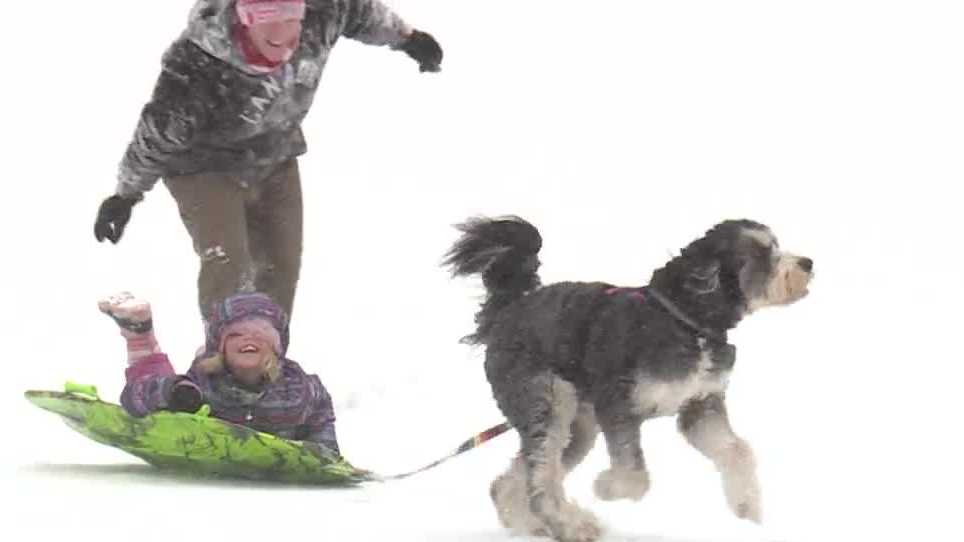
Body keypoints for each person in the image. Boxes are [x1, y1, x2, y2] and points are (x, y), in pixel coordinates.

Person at [93, 0, 443, 319]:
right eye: (264, 19)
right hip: (201, 165)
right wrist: (125, 195)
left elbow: (363, 13)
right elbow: (156, 134)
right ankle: (223, 367)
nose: (280, 34)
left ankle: (267, 367)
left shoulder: (326, 10)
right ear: (242, 17)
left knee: (281, 267)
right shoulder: (199, 63)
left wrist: (408, 38)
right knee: (230, 265)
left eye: (291, 17)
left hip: (275, 152)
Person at [100, 291, 340, 454]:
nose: (248, 339)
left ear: (277, 349)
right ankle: (139, 332)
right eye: (236, 334)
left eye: (260, 335)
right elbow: (135, 397)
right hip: (195, 399)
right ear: (221, 349)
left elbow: (320, 410)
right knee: (156, 385)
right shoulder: (204, 383)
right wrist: (171, 393)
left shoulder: (297, 388)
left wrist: (324, 448)